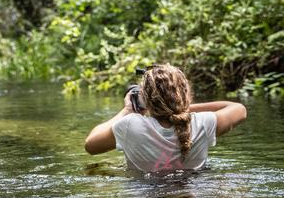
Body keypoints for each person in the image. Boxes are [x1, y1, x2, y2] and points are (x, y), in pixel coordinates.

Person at [84, 63, 246, 173]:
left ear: (146, 99)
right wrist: (180, 108)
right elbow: (238, 109)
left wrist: (127, 110)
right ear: (185, 93)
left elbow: (91, 145)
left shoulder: (131, 125)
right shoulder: (203, 123)